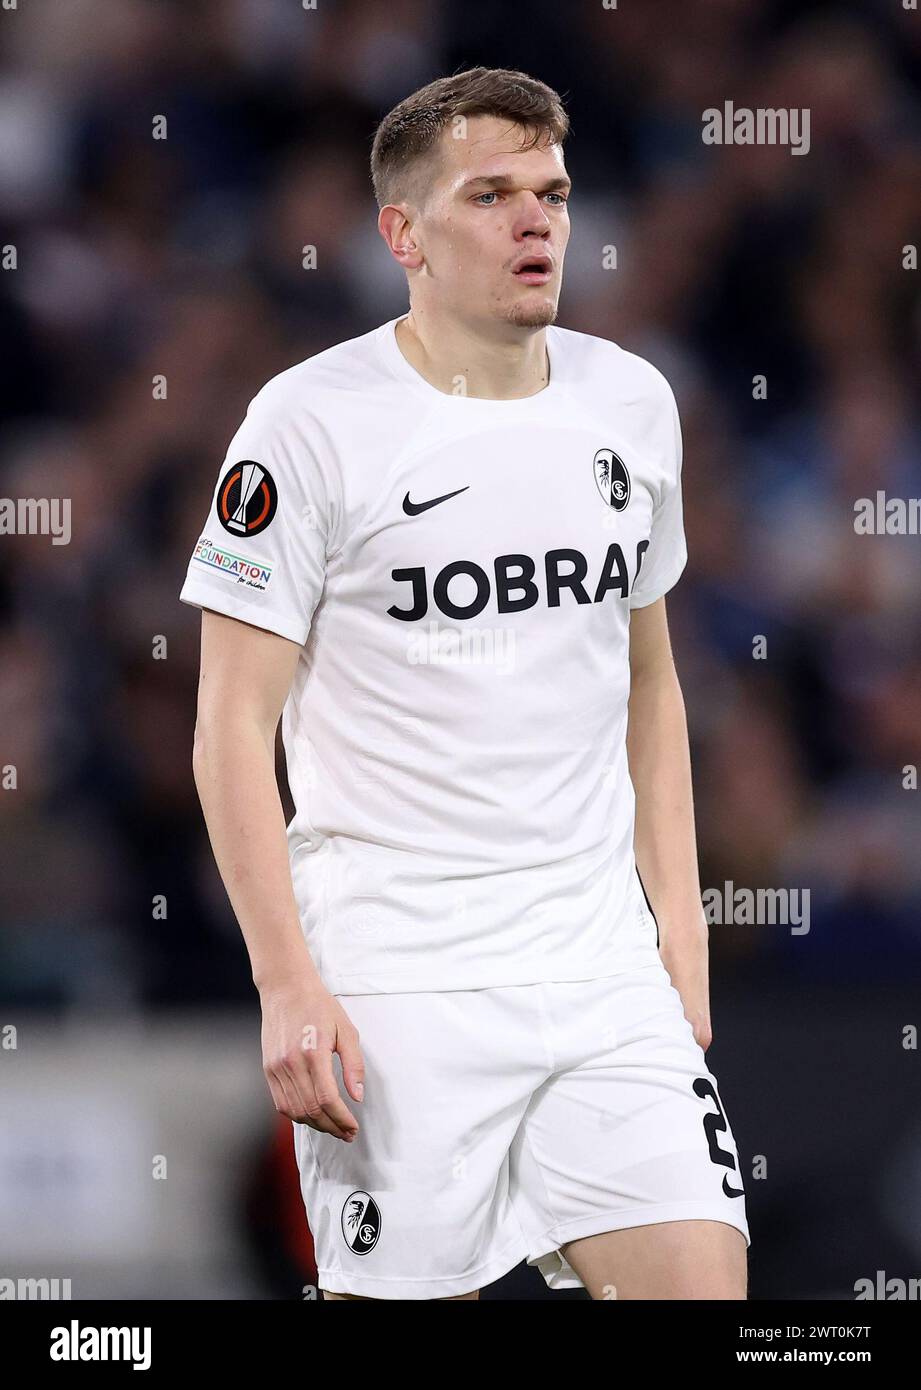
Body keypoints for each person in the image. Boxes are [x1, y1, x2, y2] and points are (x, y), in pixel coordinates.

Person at [180, 66, 750, 1301]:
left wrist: (682, 928)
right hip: (402, 983)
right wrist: (287, 981)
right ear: (403, 234)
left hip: (603, 975)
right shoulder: (307, 424)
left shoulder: (633, 402)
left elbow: (649, 683)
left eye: (550, 192)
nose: (537, 221)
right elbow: (231, 727)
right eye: (491, 196)